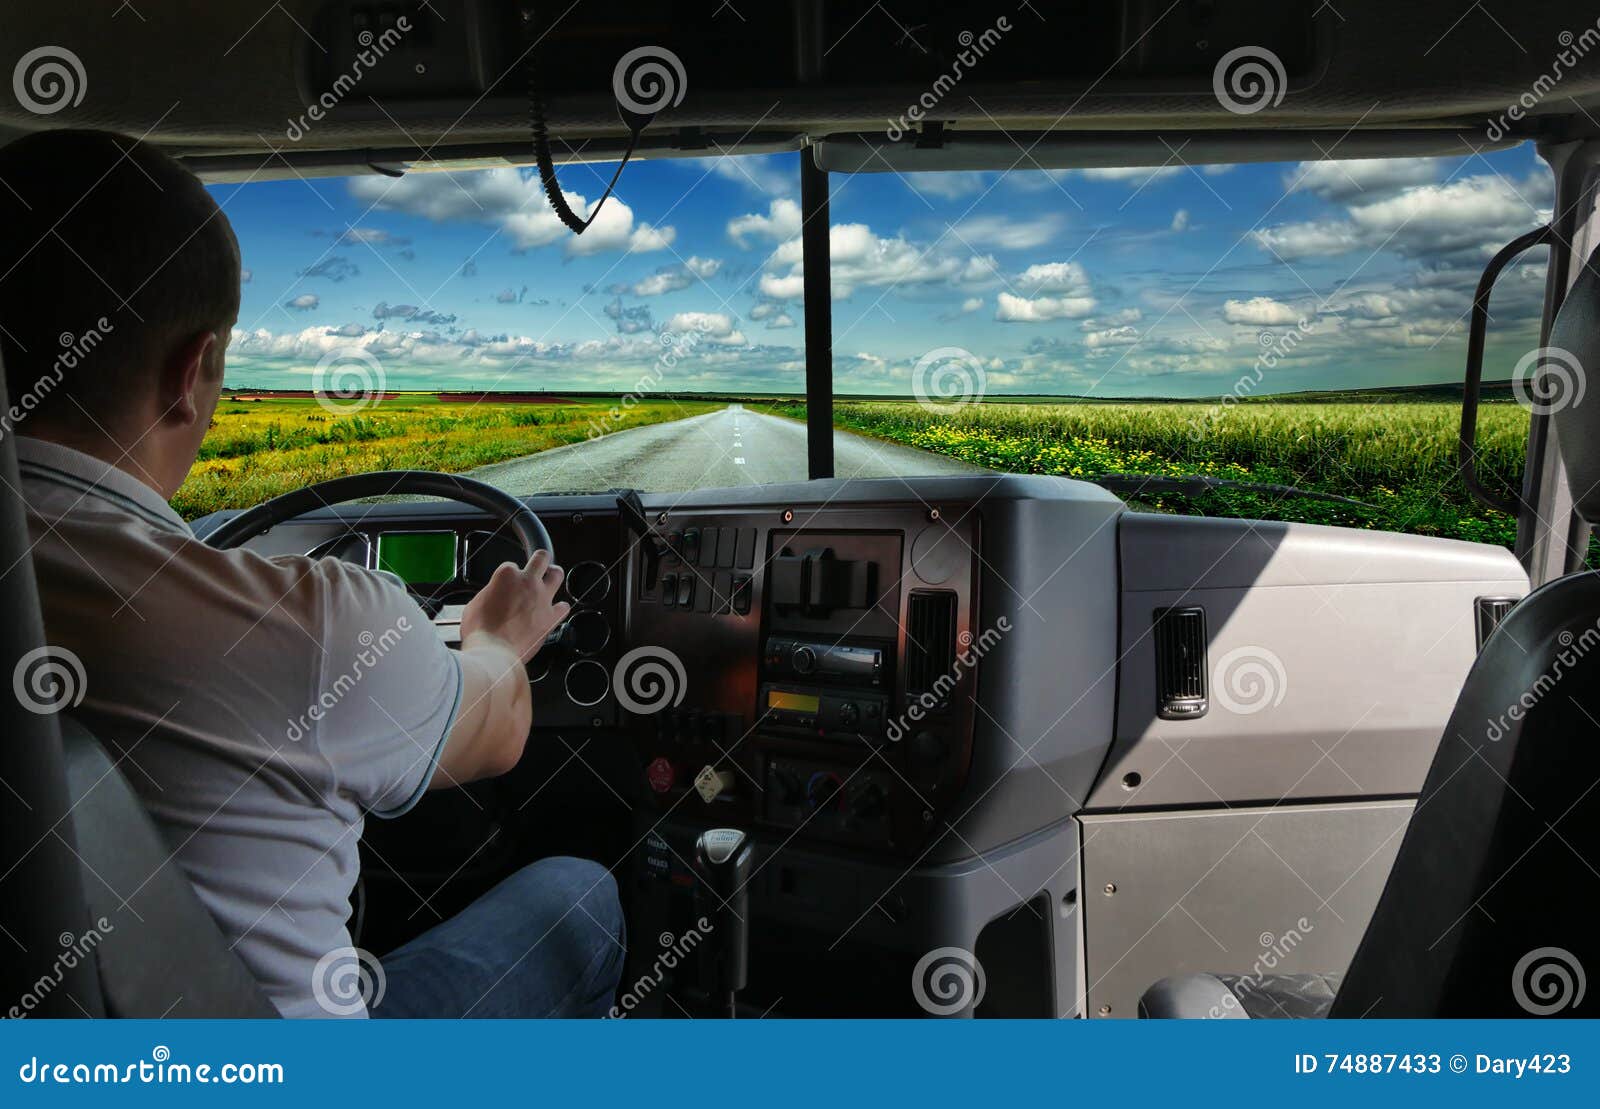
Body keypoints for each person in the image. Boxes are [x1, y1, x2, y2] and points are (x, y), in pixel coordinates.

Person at [0, 129, 624, 1018]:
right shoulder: (318, 622)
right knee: (578, 893)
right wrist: (497, 635)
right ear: (195, 372)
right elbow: (501, 728)